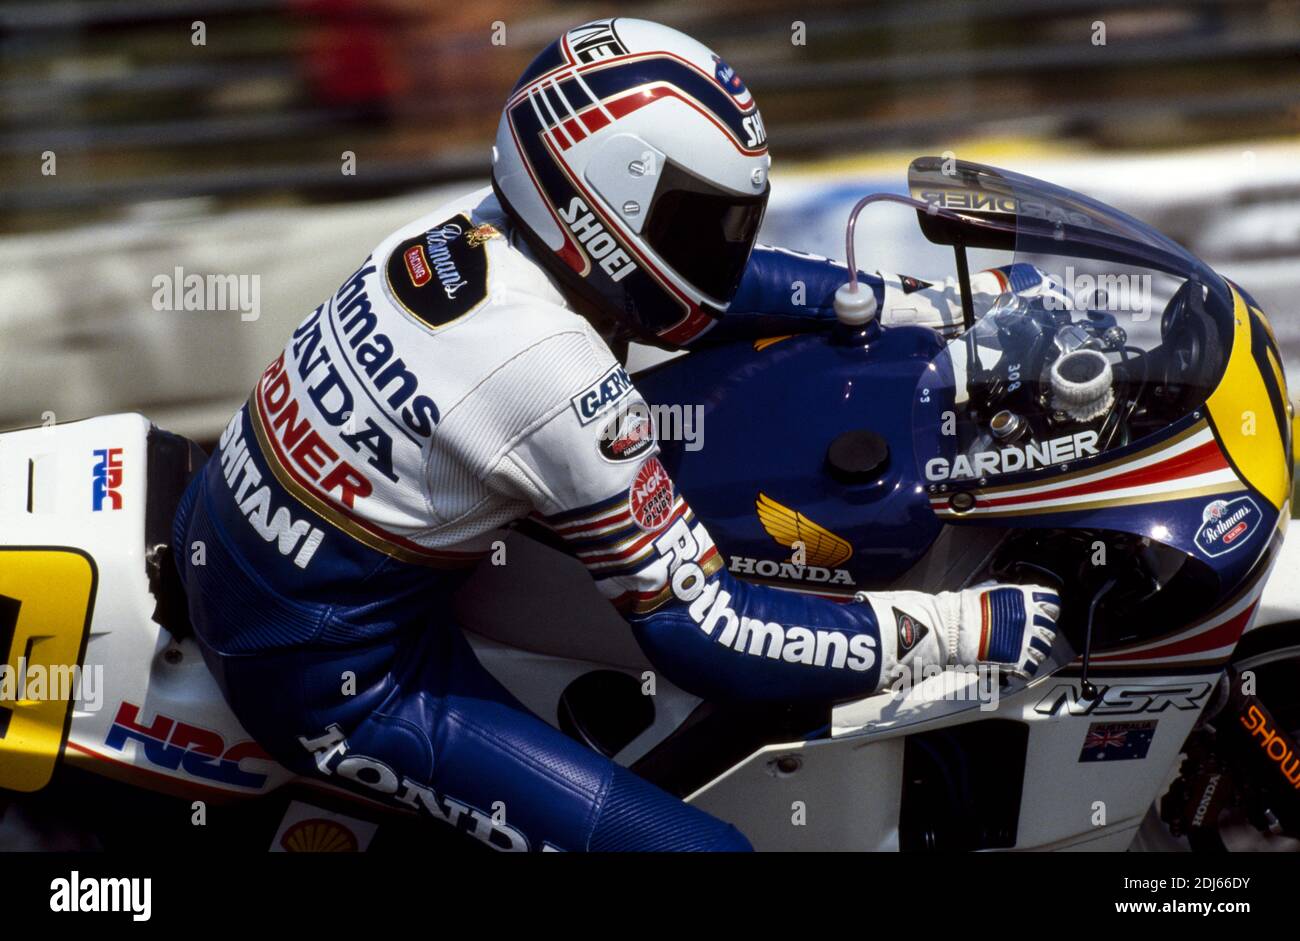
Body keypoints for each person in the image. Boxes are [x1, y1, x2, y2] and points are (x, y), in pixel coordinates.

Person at [173, 17, 1059, 852]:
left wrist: (886, 300)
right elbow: (708, 636)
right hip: (330, 674)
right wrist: (954, 628)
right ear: (601, 210)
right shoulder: (554, 372)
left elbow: (700, 288)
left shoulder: (462, 234)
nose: (723, 251)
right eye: (697, 223)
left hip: (242, 531)